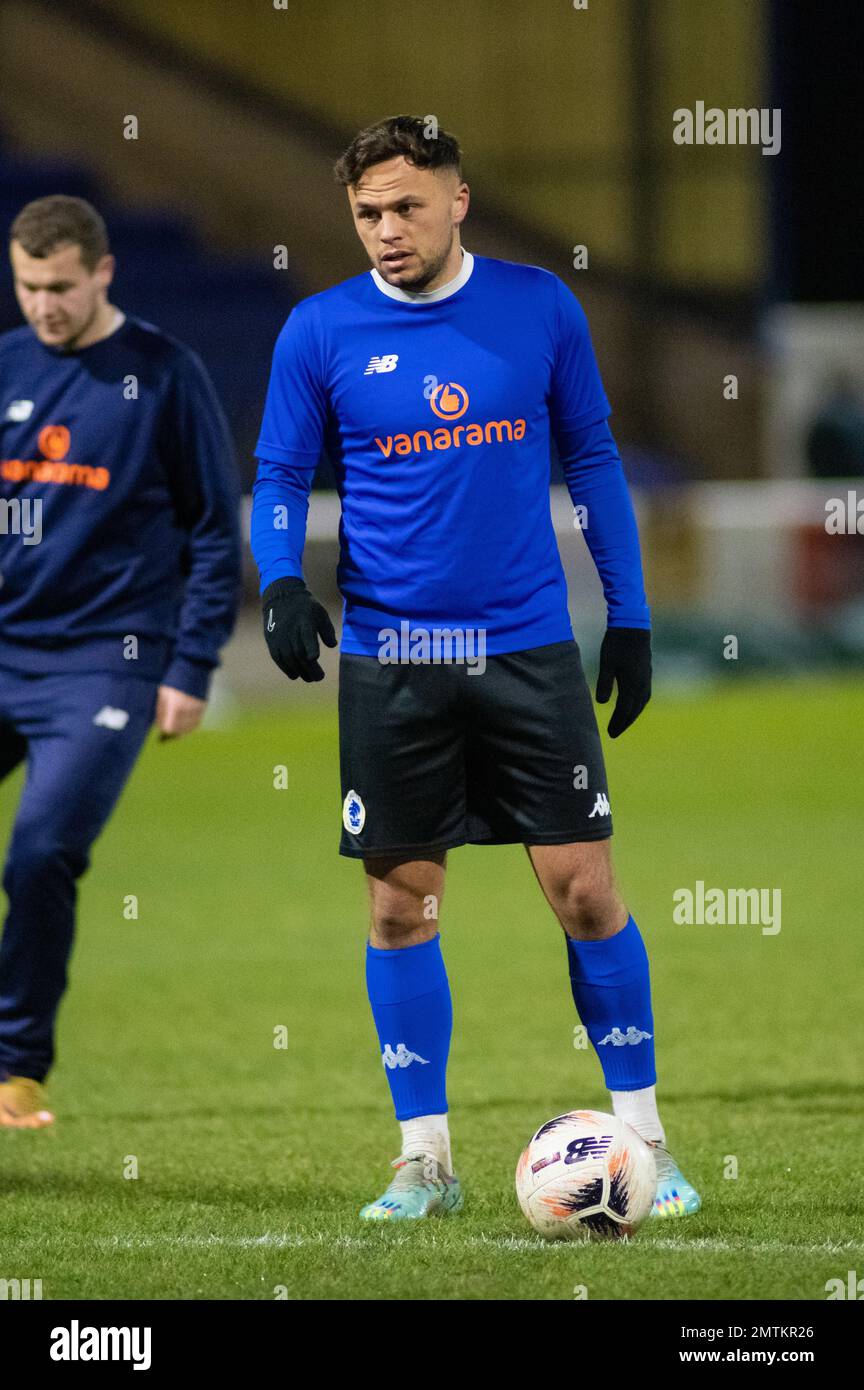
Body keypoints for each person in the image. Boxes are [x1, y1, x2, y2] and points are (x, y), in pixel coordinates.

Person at [251, 116, 700, 1221]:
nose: (386, 230)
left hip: (526, 648)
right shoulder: (320, 329)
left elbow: (592, 457)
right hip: (394, 658)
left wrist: (631, 616)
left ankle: (647, 1145)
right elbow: (279, 474)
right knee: (402, 910)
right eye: (367, 213)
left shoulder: (539, 305)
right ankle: (426, 1163)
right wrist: (280, 579)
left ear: (458, 199)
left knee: (585, 890)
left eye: (406, 206)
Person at [0, 196, 241, 1126]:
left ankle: (15, 1068)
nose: (43, 305)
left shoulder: (164, 375)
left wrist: (192, 665)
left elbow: (213, 531)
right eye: (28, 286)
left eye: (60, 286)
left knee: (40, 852)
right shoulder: (8, 364)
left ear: (103, 272)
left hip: (106, 661)